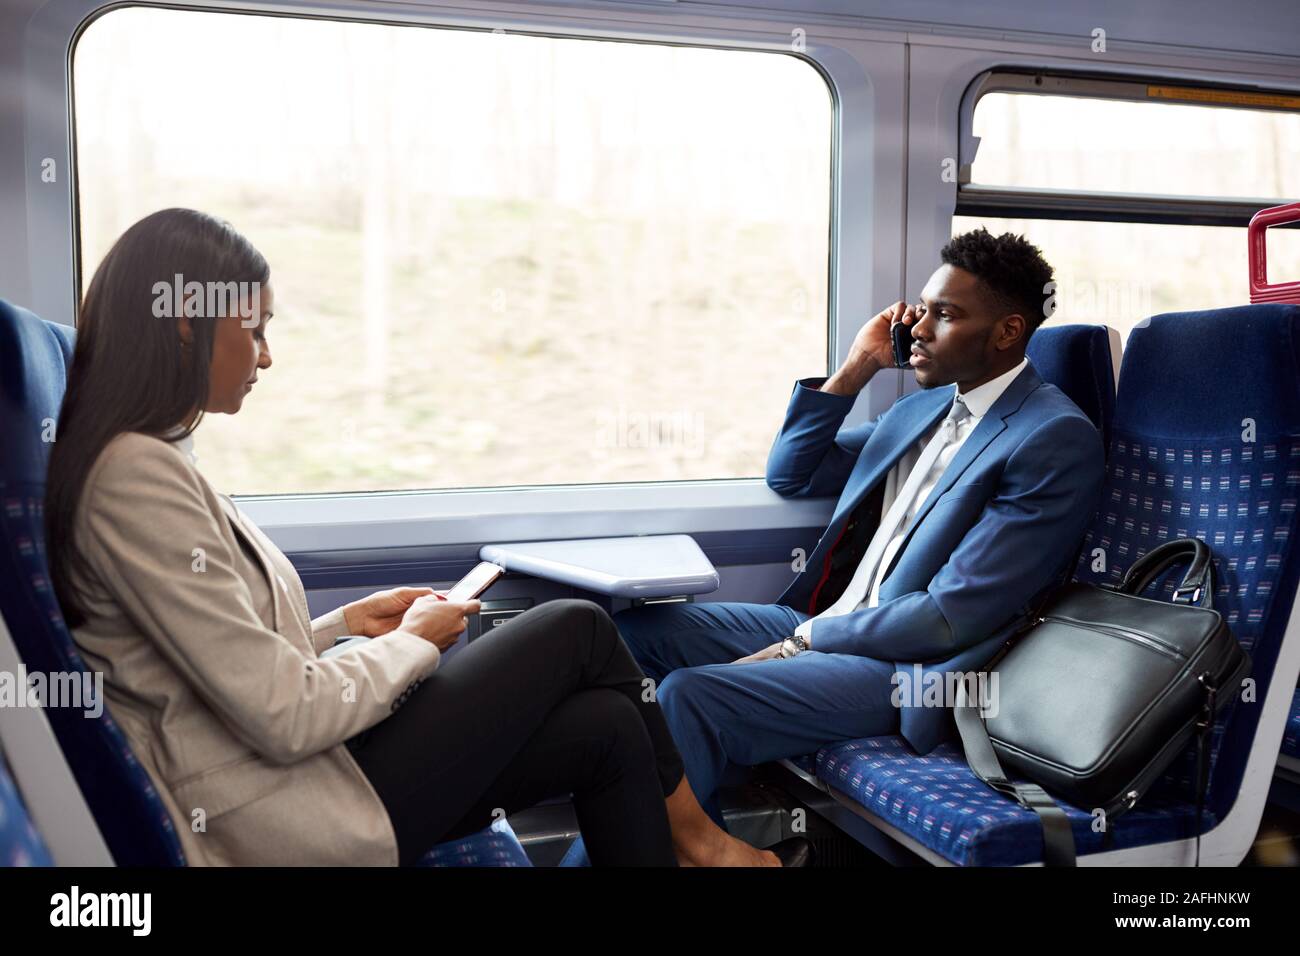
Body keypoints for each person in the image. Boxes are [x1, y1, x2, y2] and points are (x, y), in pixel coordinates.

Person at [44, 207, 811, 867]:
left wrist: (347, 624)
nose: (267, 356)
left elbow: (218, 661)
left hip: (295, 764)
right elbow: (284, 714)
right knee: (577, 628)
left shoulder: (159, 457)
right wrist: (411, 640)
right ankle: (704, 847)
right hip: (278, 808)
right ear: (185, 320)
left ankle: (696, 849)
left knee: (609, 728)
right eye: (256, 329)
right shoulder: (134, 477)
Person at [613, 229, 1107, 827]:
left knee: (692, 696)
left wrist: (806, 642)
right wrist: (859, 365)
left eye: (945, 316)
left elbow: (951, 616)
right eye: (922, 309)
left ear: (1007, 332)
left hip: (917, 672)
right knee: (632, 634)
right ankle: (700, 840)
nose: (919, 329)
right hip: (834, 621)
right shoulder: (922, 408)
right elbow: (792, 473)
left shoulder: (1051, 437)